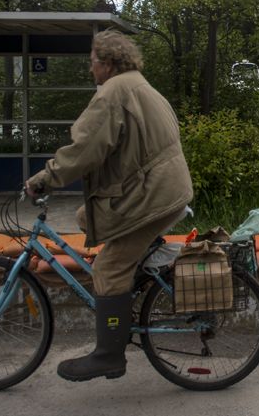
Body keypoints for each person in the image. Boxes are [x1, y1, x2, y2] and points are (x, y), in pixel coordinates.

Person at [25, 29, 193, 382]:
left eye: (93, 63)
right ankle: (128, 293)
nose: (91, 70)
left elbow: (85, 149)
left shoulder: (113, 92)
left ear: (108, 63)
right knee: (86, 217)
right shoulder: (139, 84)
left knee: (108, 268)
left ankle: (109, 356)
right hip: (160, 188)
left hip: (152, 195)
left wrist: (46, 177)